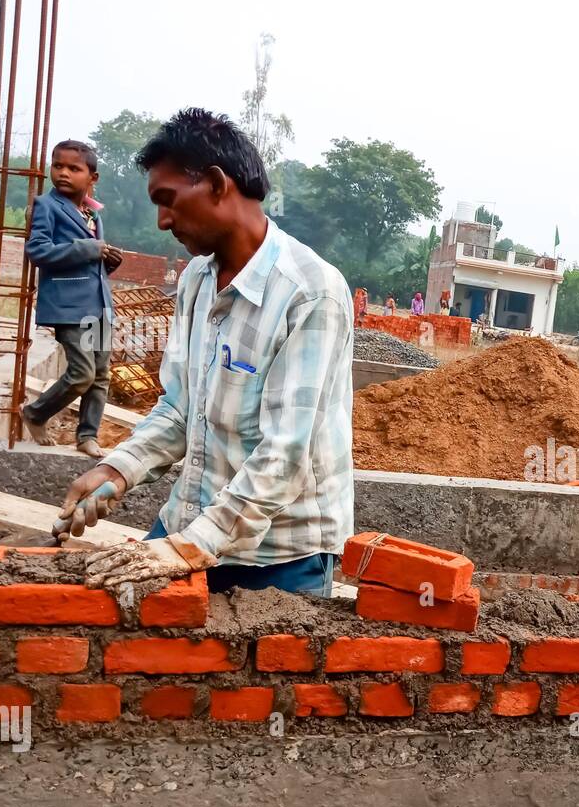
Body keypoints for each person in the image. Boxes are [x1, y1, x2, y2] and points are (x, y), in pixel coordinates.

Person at [56, 108, 354, 596]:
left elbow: (284, 454)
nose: (162, 220)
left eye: (168, 200)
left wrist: (186, 550)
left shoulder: (310, 291)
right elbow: (179, 406)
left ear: (217, 184)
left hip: (278, 553)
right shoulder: (197, 279)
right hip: (189, 521)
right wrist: (118, 467)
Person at [21, 140, 123, 458]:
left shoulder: (92, 213)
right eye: (58, 166)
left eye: (73, 168)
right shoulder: (46, 206)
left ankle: (87, 436)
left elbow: (87, 258)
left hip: (99, 304)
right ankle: (36, 413)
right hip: (68, 307)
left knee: (101, 374)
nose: (63, 173)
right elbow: (37, 251)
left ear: (93, 177)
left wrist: (106, 261)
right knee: (82, 373)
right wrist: (88, 249)